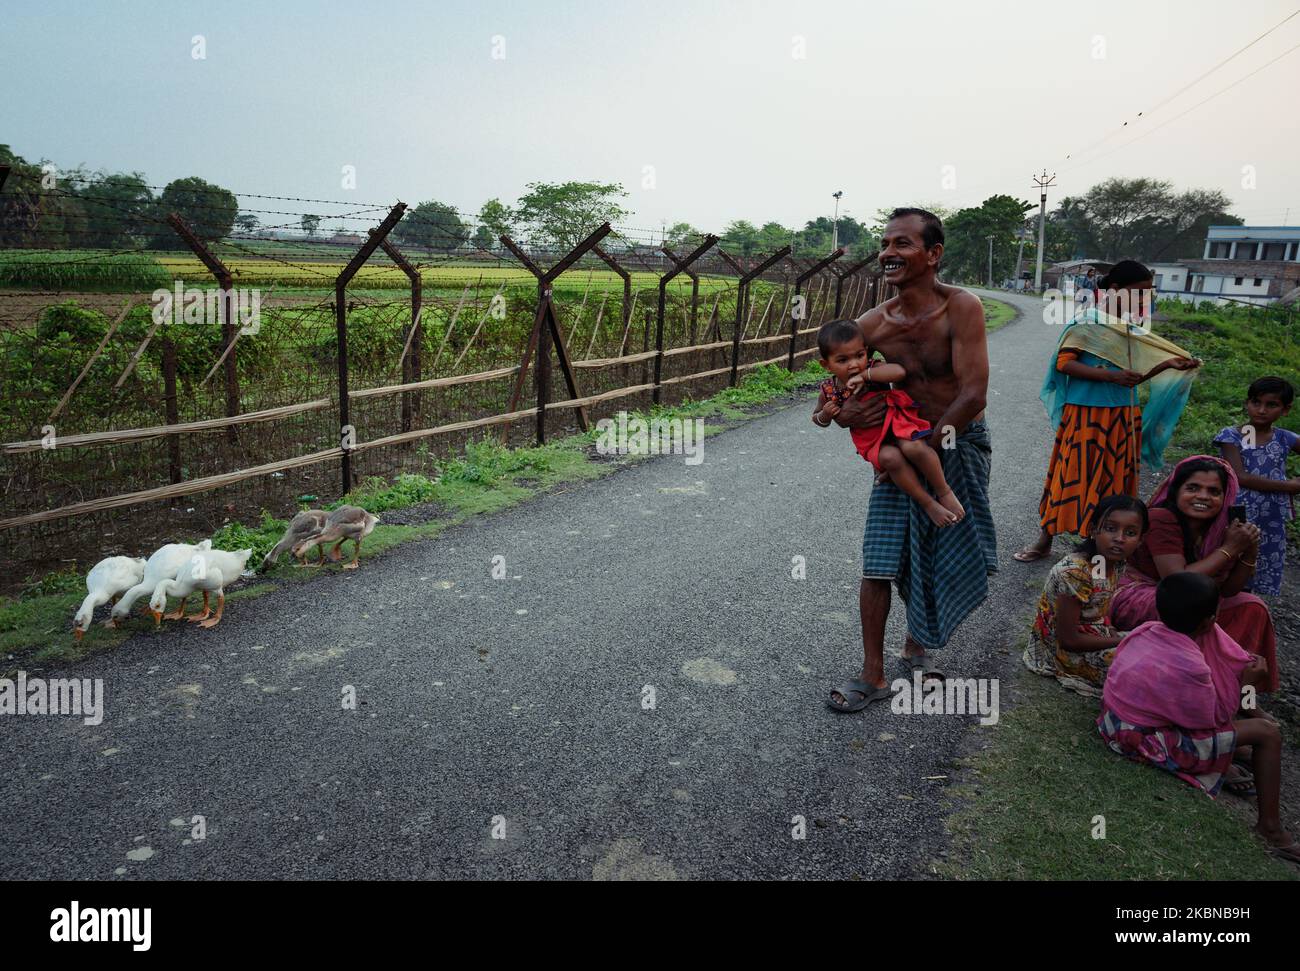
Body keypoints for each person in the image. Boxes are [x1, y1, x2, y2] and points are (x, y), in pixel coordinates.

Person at [826, 208, 994, 712]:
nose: (888, 253)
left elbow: (974, 392)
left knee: (940, 555)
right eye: (885, 243)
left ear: (934, 254)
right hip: (900, 451)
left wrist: (931, 443)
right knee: (879, 562)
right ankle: (873, 675)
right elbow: (843, 392)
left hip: (955, 445)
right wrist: (849, 413)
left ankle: (917, 645)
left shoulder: (961, 308)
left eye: (902, 243)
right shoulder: (870, 325)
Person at [1099, 572, 1299, 863]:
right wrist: (1246, 686)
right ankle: (1271, 829)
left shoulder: (1146, 630)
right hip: (1141, 741)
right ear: (1209, 620)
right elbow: (1211, 721)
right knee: (1267, 733)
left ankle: (1239, 764)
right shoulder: (1192, 666)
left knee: (1250, 735)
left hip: (1113, 721)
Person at [1015, 259, 1199, 563]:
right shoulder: (1088, 322)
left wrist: (1167, 364)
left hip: (1123, 417)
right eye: (1139, 291)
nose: (1144, 298)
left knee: (1115, 483)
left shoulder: (1131, 329)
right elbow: (1064, 364)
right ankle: (1045, 539)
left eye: (1148, 293)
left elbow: (1132, 378)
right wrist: (1110, 376)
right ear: (1115, 289)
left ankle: (1100, 547)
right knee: (1070, 477)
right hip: (1086, 415)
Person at [1110, 455, 1279, 692]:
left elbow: (1229, 590)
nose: (1203, 496)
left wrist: (1249, 551)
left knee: (1252, 606)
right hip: (1143, 592)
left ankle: (1236, 689)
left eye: (1214, 491)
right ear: (1176, 490)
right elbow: (1177, 582)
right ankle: (1191, 684)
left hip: (1194, 596)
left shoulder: (1221, 528)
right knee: (1192, 605)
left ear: (1225, 497)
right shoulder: (1161, 518)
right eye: (1193, 488)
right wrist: (1230, 548)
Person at [812, 319, 964, 527]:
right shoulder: (829, 390)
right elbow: (817, 417)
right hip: (871, 438)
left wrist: (866, 376)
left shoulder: (873, 370)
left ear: (866, 352)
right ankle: (928, 503)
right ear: (825, 364)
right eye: (842, 360)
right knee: (890, 458)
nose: (854, 364)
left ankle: (944, 491)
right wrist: (825, 415)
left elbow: (899, 372)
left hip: (896, 421)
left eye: (859, 355)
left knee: (914, 448)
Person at [1023, 494, 1147, 697]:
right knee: (1141, 670)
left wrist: (1112, 630)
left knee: (1155, 650)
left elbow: (1097, 606)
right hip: (1061, 652)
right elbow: (1068, 641)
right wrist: (1123, 640)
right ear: (1092, 530)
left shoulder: (1113, 561)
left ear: (1140, 540)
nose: (1120, 538)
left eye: (1131, 532)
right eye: (1110, 528)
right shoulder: (1075, 572)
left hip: (1093, 634)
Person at [1213, 376, 1299, 597]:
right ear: (1247, 403)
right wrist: (1288, 486)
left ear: (1286, 409)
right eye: (1256, 402)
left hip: (1271, 516)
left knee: (1259, 557)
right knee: (1232, 555)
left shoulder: (1284, 438)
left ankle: (1245, 606)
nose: (1261, 410)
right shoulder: (1233, 435)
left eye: (1271, 405)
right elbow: (1241, 477)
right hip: (1239, 512)